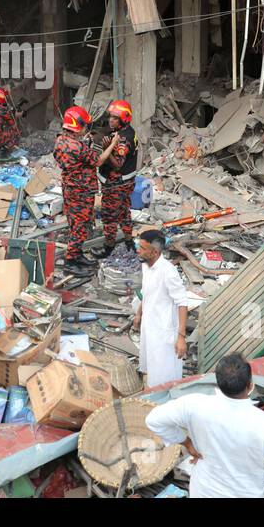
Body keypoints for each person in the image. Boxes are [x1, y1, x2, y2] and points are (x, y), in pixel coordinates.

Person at [144, 353, 264, 498]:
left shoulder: (194, 404)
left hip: (203, 492)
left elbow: (153, 420)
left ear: (217, 382)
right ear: (250, 385)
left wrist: (186, 442)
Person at [54, 106, 108, 273]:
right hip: (81, 191)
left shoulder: (60, 140)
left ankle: (77, 256)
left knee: (74, 223)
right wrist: (111, 146)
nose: (86, 128)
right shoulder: (78, 147)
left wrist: (84, 142)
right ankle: (70, 263)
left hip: (69, 188)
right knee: (81, 226)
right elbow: (98, 161)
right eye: (84, 125)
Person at [132, 229, 188, 388]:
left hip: (164, 332)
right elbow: (147, 292)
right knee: (150, 366)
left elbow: (182, 303)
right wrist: (138, 313)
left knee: (164, 376)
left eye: (142, 248)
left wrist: (181, 337)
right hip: (149, 326)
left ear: (155, 251)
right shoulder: (146, 265)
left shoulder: (168, 272)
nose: (138, 250)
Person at [98, 98, 138, 255]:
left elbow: (117, 164)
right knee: (124, 212)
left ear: (123, 119)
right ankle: (129, 242)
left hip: (116, 184)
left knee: (109, 216)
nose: (111, 120)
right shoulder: (128, 131)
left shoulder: (122, 139)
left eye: (115, 118)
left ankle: (108, 249)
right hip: (125, 183)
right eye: (110, 116)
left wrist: (107, 149)